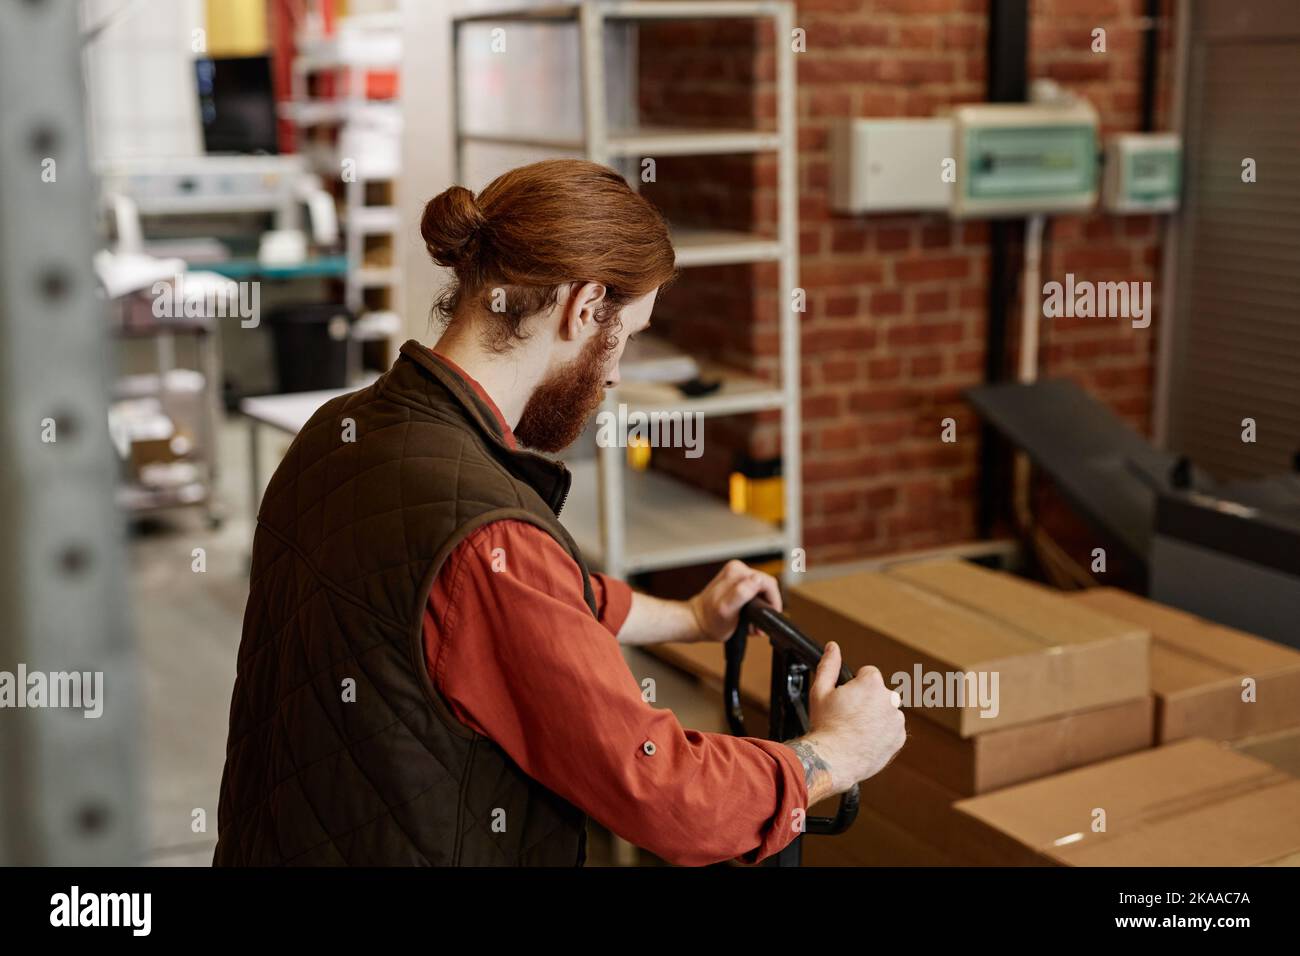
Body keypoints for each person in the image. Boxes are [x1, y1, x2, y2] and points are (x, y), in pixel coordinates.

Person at [213, 159, 905, 867]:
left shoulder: (341, 428)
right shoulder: (488, 539)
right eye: (626, 336)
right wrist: (830, 756)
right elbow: (666, 793)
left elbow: (515, 612)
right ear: (583, 307)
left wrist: (691, 618)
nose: (614, 374)